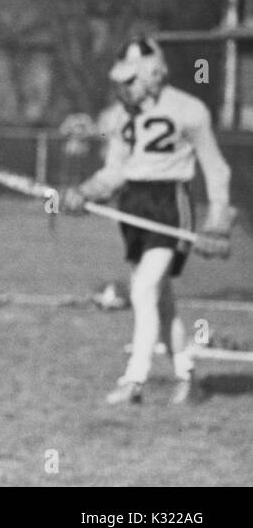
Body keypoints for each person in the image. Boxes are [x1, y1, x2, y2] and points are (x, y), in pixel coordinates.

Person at [62, 37, 234, 406]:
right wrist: (85, 192)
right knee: (161, 300)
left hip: (170, 204)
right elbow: (116, 171)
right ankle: (187, 377)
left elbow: (216, 167)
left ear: (154, 74)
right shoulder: (120, 117)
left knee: (141, 289)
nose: (123, 87)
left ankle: (134, 380)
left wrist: (218, 218)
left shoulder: (190, 110)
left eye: (131, 79)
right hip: (133, 206)